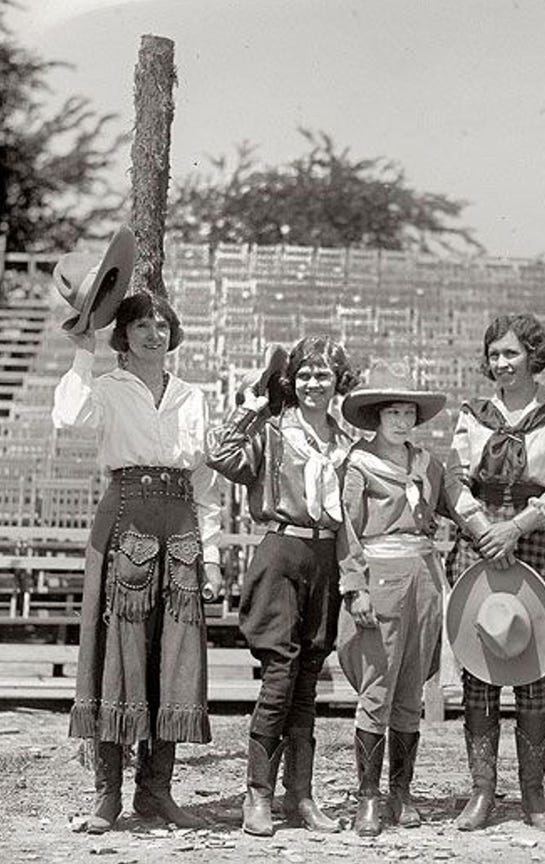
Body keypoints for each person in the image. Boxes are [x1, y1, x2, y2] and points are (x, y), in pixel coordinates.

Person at [54, 247, 222, 834]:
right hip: (122, 520)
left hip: (180, 528)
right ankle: (107, 796)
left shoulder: (194, 396)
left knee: (173, 658)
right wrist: (83, 354)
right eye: (140, 324)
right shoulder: (107, 387)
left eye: (162, 324)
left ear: (173, 334)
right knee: (115, 658)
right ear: (120, 335)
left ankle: (157, 792)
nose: (154, 332)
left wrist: (215, 553)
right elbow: (67, 419)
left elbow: (205, 479)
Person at [206, 337, 355, 836]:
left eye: (325, 374)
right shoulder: (273, 432)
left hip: (325, 556)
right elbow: (220, 455)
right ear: (294, 382)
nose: (315, 383)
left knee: (310, 677)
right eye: (306, 374)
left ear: (338, 382)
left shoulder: (344, 440)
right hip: (280, 550)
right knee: (279, 676)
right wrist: (251, 406)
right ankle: (259, 795)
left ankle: (303, 795)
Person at [336, 361, 491, 837]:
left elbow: (460, 505)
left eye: (408, 413)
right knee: (377, 686)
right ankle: (368, 797)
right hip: (380, 576)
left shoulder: (428, 465)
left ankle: (401, 793)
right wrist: (354, 586)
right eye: (393, 413)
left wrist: (493, 536)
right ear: (377, 417)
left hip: (424, 576)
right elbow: (348, 530)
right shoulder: (359, 465)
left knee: (410, 690)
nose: (402, 422)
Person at [444, 313, 545, 833]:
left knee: (533, 665)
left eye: (512, 354)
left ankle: (533, 794)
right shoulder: (472, 415)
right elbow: (455, 481)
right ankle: (482, 791)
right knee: (481, 665)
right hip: (479, 537)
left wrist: (516, 528)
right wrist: (483, 528)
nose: (502, 364)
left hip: (536, 537)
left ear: (533, 356)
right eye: (495, 355)